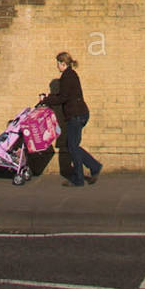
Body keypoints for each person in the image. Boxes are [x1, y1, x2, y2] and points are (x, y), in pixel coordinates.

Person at [41, 51, 102, 187]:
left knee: (72, 147)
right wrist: (49, 97)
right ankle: (93, 167)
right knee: (73, 146)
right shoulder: (70, 75)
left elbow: (63, 98)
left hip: (76, 115)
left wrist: (46, 99)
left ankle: (80, 178)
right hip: (79, 114)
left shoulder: (67, 76)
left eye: (58, 63)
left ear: (63, 63)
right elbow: (63, 94)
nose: (57, 65)